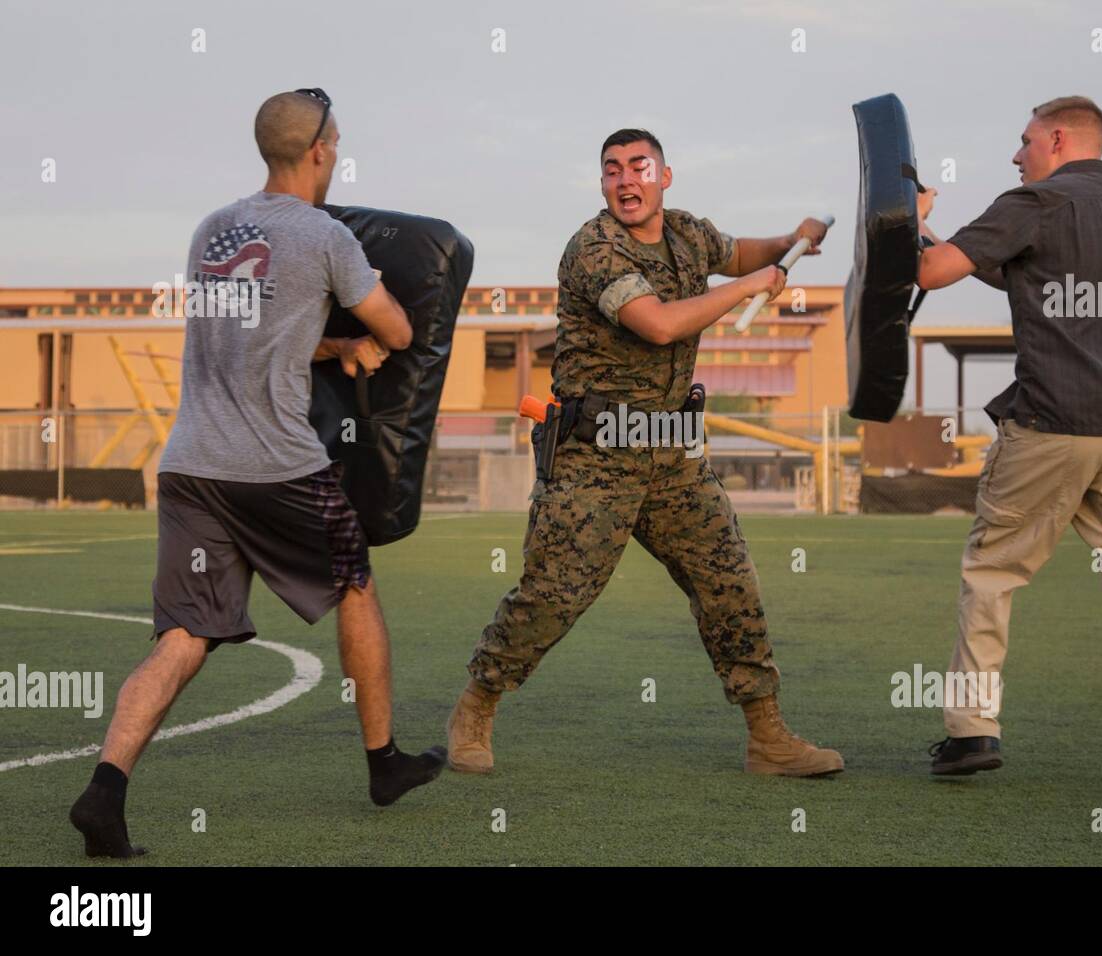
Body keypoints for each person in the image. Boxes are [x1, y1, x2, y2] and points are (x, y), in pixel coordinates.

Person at [70, 89, 446, 859]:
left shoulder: (213, 230)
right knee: (355, 585)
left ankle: (105, 790)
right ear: (318, 151)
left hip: (191, 466)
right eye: (335, 144)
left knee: (182, 637)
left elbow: (256, 332)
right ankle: (383, 763)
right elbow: (399, 329)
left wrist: (329, 348)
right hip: (274, 464)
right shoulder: (323, 233)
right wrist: (363, 331)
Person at [445, 129, 844, 777]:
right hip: (595, 456)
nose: (626, 181)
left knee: (728, 585)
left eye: (639, 167)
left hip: (672, 453)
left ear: (665, 176)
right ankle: (477, 704)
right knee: (553, 594)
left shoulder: (686, 233)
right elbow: (657, 324)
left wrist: (787, 242)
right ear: (602, 184)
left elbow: (738, 251)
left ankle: (768, 737)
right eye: (612, 171)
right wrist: (747, 290)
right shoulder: (594, 249)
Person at [915, 96, 1102, 801]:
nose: (1015, 154)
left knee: (993, 572)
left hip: (1054, 421)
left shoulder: (1036, 199)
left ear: (1058, 138)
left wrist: (909, 222)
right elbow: (1012, 268)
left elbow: (934, 274)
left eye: (1024, 140)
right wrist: (937, 230)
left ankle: (971, 733)